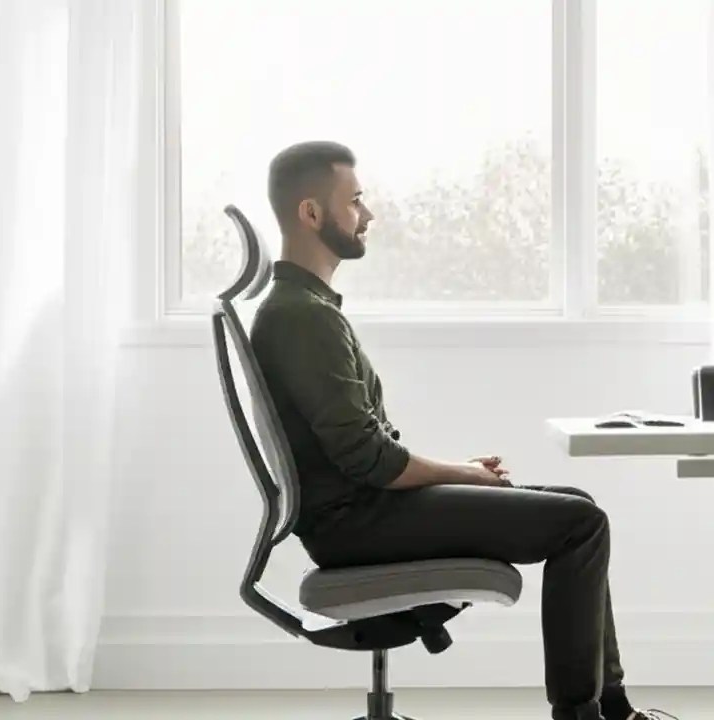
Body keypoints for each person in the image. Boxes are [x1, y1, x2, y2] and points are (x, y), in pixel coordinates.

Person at [249, 141, 672, 720]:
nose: (367, 216)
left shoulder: (307, 308)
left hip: (362, 511)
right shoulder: (301, 316)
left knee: (576, 504)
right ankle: (588, 717)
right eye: (355, 201)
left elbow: (366, 451)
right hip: (356, 522)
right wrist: (463, 474)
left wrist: (460, 475)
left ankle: (613, 709)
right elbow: (368, 458)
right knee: (581, 525)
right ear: (311, 213)